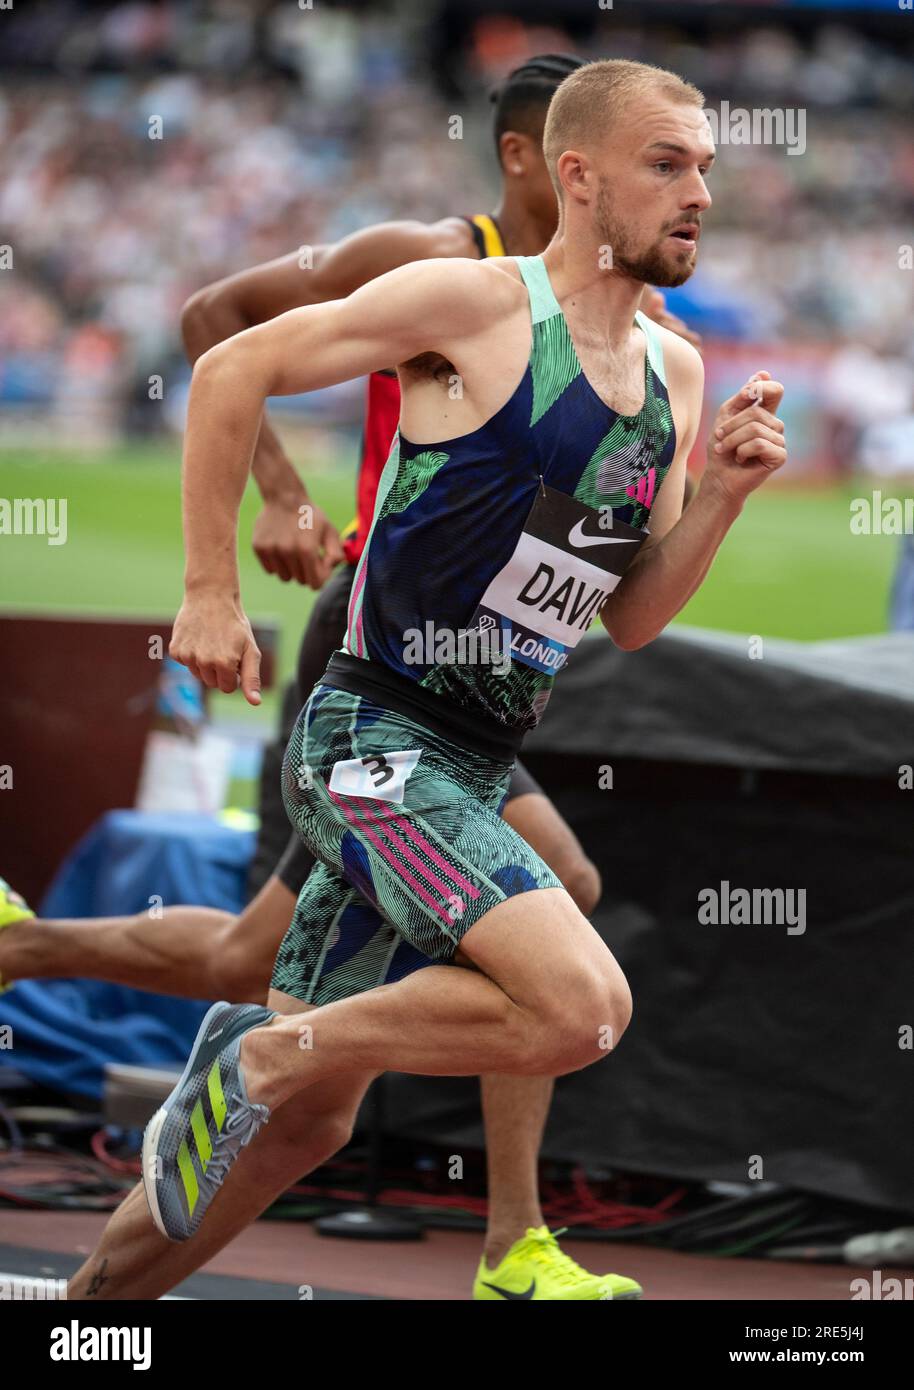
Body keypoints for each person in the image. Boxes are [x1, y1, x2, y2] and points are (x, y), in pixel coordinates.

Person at [78, 54, 787, 1301]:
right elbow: (226, 363)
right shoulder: (471, 306)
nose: (700, 196)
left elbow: (628, 615)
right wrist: (206, 588)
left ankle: (88, 1314)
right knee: (579, 1007)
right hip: (368, 739)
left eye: (707, 170)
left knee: (300, 1134)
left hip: (471, 755)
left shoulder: (674, 376)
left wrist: (719, 497)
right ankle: (261, 1054)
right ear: (576, 176)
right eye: (667, 166)